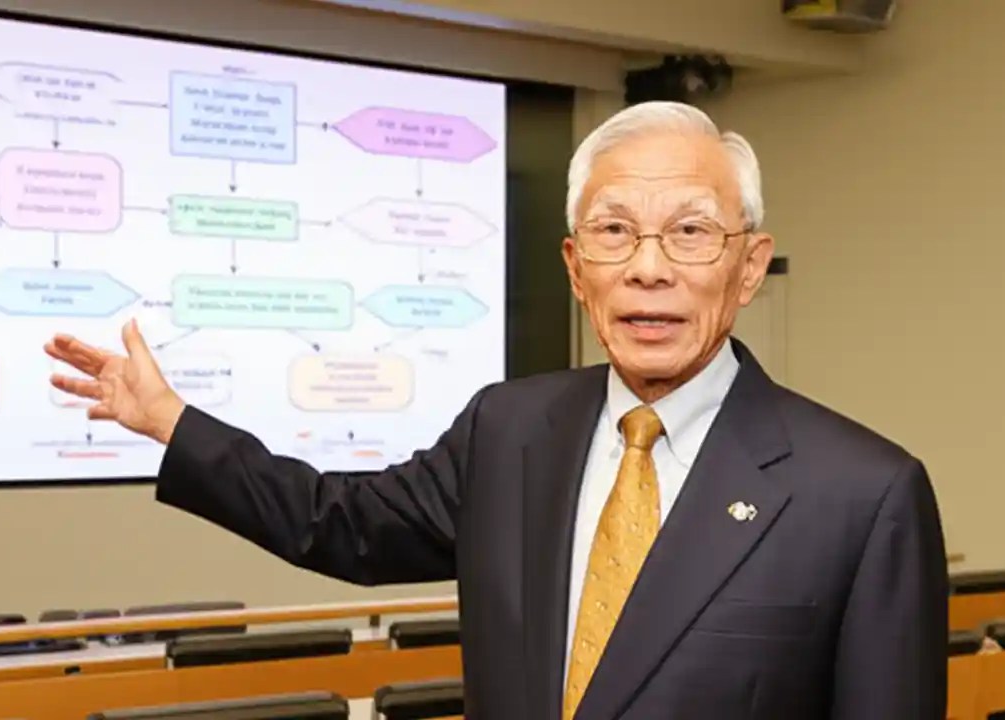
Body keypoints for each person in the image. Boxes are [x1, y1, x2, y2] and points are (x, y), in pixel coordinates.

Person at [46, 101, 948, 719]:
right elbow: (341, 526)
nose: (648, 267)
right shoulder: (510, 430)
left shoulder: (862, 496)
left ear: (749, 267)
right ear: (574, 265)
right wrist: (174, 425)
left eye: (691, 231)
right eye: (614, 231)